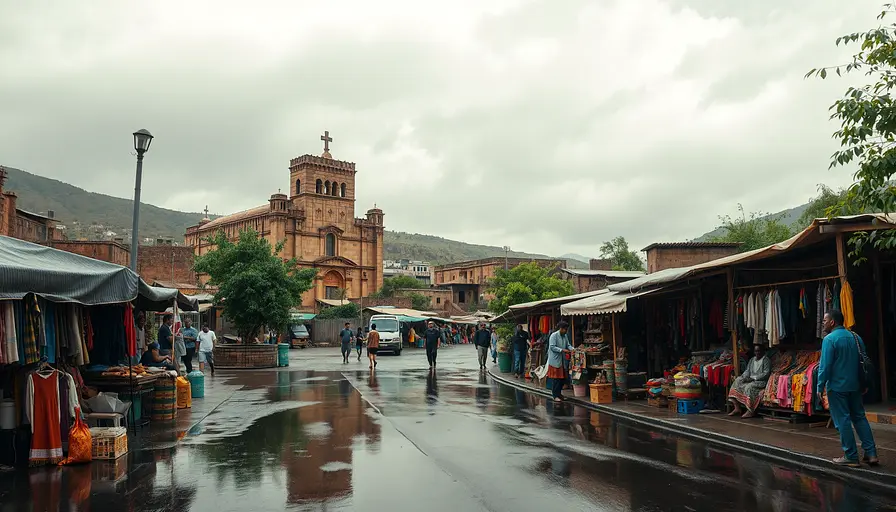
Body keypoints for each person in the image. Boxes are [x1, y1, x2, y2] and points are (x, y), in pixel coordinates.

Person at [817, 310, 879, 467]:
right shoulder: (855, 337)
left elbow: (825, 366)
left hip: (837, 387)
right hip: (855, 386)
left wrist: (819, 386)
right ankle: (871, 454)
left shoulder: (829, 340)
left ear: (832, 322)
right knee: (859, 417)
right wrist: (863, 384)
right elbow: (863, 361)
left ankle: (851, 456)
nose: (823, 323)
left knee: (842, 420)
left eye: (824, 320)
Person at [727, 344, 771, 418]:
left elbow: (766, 373)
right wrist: (743, 377)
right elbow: (747, 371)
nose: (758, 353)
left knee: (749, 387)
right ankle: (737, 407)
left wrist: (754, 378)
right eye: (756, 351)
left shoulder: (766, 360)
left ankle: (750, 410)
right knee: (738, 381)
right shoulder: (752, 360)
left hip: (760, 381)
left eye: (759, 351)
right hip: (750, 379)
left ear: (763, 351)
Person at [547, 321, 573, 402]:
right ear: (561, 328)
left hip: (562, 360)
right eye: (565, 329)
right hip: (555, 360)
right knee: (556, 379)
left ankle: (559, 393)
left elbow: (568, 345)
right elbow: (552, 347)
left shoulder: (565, 336)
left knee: (562, 379)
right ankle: (555, 395)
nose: (566, 331)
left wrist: (573, 349)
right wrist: (562, 350)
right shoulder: (553, 335)